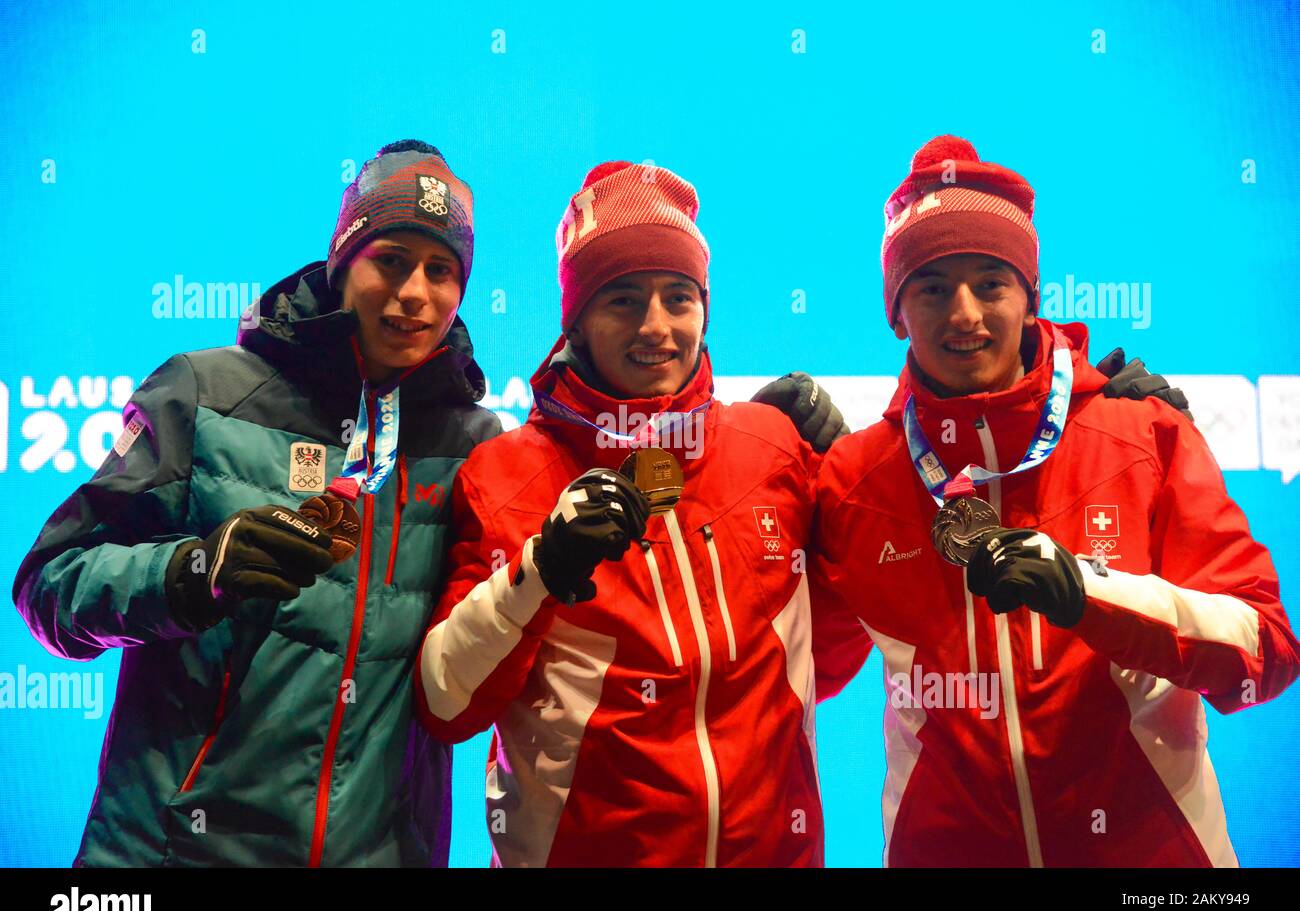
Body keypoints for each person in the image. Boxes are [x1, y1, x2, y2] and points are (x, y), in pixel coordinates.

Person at [811, 135, 1300, 866]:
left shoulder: (1143, 435)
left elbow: (1265, 651)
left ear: (1030, 294)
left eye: (991, 282)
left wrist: (1090, 595)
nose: (963, 313)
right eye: (933, 286)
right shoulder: (856, 482)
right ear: (896, 311)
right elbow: (773, 669)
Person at [13, 140, 502, 866]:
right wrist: (191, 572)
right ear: (343, 262)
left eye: (441, 270)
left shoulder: (475, 445)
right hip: (171, 852)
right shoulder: (205, 393)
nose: (415, 294)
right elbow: (52, 584)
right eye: (390, 260)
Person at [411, 160, 866, 867]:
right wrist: (539, 571)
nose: (656, 327)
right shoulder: (506, 475)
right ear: (577, 320)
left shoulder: (770, 447)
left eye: (679, 298)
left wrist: (858, 485)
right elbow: (447, 702)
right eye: (623, 299)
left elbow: (829, 659)